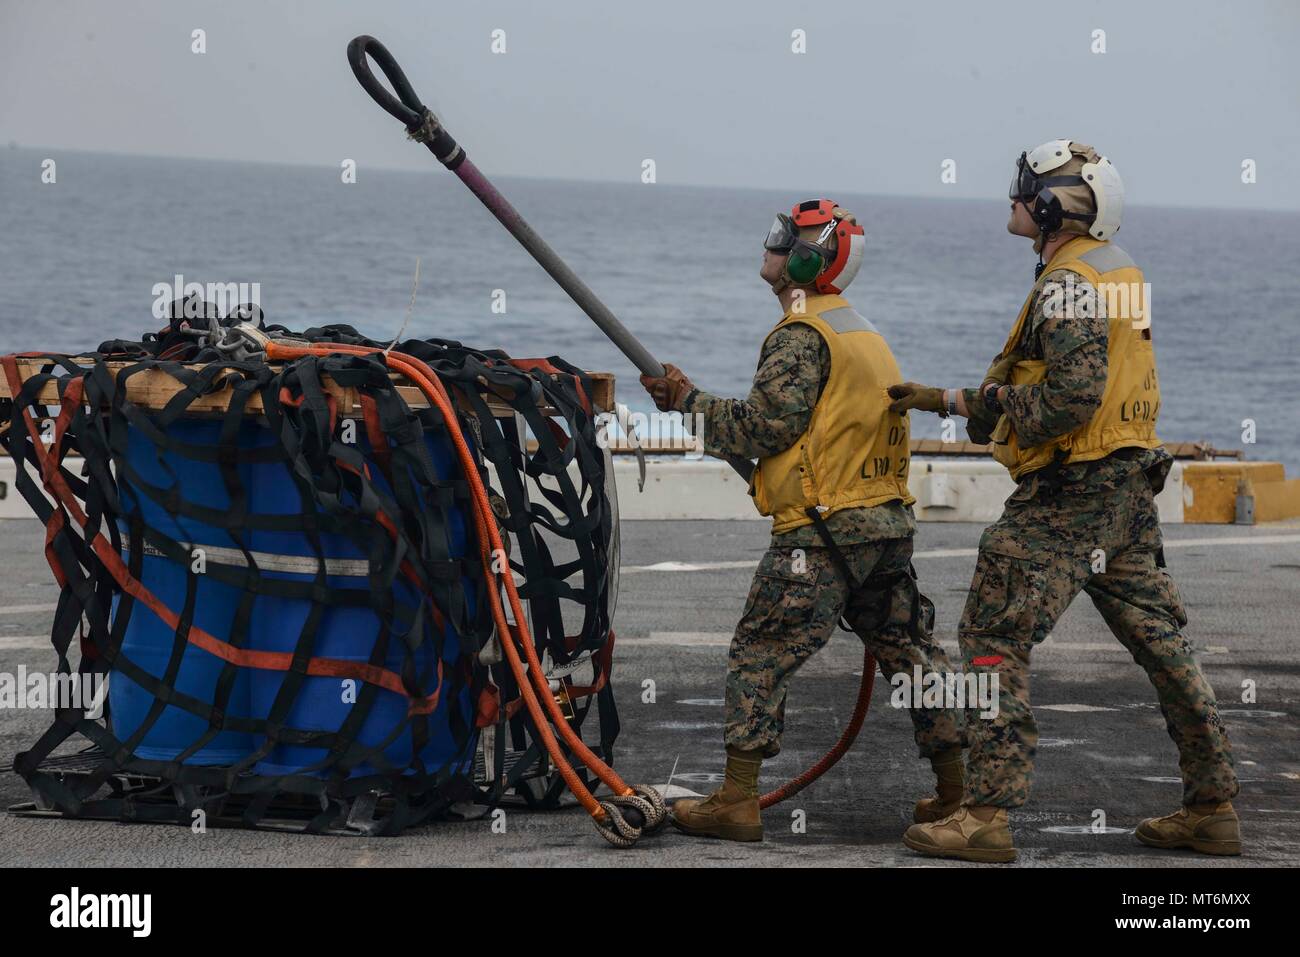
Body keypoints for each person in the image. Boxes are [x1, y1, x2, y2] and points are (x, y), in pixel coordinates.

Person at [890, 141, 1240, 863]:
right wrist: (949, 399)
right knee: (1162, 644)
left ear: (1056, 204)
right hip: (1128, 486)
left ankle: (984, 814)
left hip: (1073, 491)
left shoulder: (1068, 282)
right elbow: (1101, 383)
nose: (1014, 196)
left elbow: (1069, 400)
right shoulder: (1119, 269)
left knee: (991, 632)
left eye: (1027, 187)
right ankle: (1212, 805)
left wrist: (965, 400)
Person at [640, 200, 966, 842]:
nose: (772, 245)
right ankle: (959, 793)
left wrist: (687, 402)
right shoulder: (860, 330)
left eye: (784, 238)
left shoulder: (800, 332)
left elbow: (765, 426)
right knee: (911, 653)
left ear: (812, 257)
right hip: (883, 524)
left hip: (821, 531)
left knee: (761, 652)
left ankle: (735, 802)